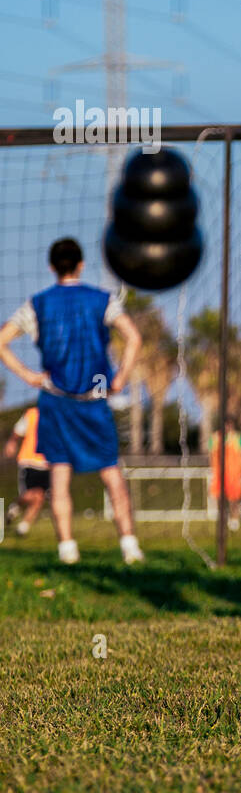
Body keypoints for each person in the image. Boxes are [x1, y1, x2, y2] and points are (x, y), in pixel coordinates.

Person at [0, 238, 145, 565]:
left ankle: (68, 549)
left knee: (60, 476)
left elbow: (1, 341)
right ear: (80, 264)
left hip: (55, 400)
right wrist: (120, 379)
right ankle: (130, 545)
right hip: (94, 399)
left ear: (52, 267)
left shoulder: (37, 304)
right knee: (111, 474)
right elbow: (134, 337)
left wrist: (28, 376)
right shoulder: (101, 300)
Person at [3, 406, 50, 538]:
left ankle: (22, 529)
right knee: (30, 494)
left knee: (40, 497)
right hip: (29, 462)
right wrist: (12, 443)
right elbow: (18, 431)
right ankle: (14, 507)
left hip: (48, 465)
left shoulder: (59, 414)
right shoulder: (32, 413)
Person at [209, 416, 241, 530]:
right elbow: (211, 455)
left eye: (230, 425)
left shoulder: (238, 438)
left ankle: (234, 519)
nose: (228, 427)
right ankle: (222, 518)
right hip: (219, 473)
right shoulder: (215, 437)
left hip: (234, 474)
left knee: (234, 498)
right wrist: (213, 470)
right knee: (219, 497)